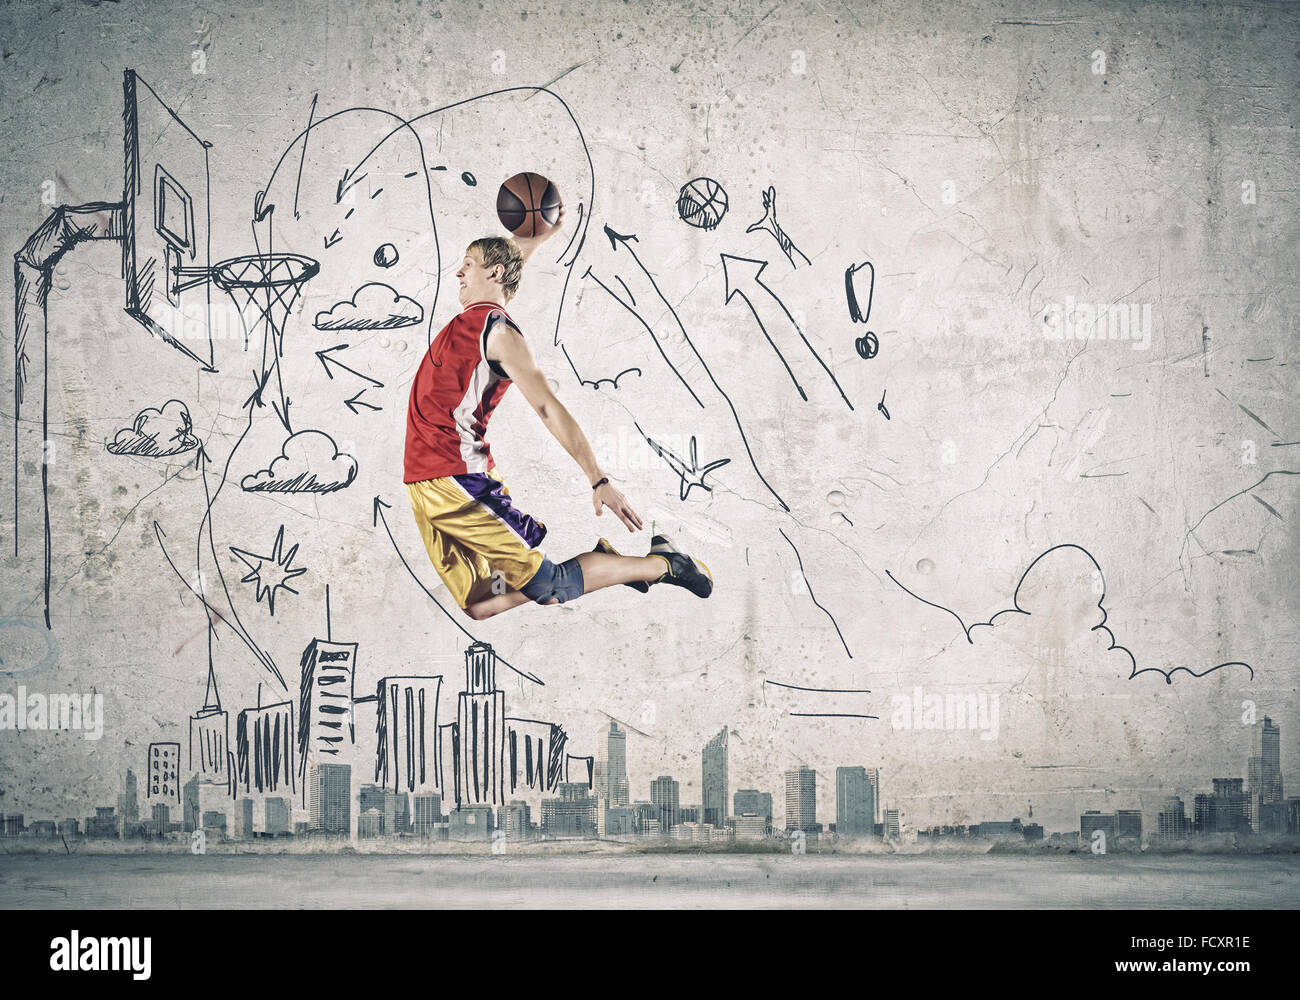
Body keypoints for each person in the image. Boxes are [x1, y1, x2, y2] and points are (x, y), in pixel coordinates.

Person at [403, 209, 713, 621]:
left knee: (551, 587)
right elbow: (505, 269)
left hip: (456, 479)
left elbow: (549, 408)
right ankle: (602, 567)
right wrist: (534, 240)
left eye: (468, 266)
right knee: (480, 602)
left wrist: (598, 479)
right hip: (422, 483)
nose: (458, 274)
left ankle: (664, 564)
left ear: (493, 273)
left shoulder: (499, 335)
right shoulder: (468, 322)